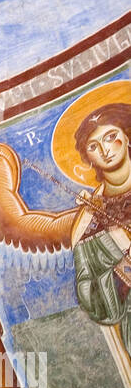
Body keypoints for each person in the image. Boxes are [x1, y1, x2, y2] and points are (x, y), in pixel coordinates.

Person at [70, 103, 131, 353]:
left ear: (127, 136)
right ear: (88, 158)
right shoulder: (91, 216)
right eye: (93, 146)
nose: (105, 150)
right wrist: (117, 249)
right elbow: (91, 294)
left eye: (111, 137)